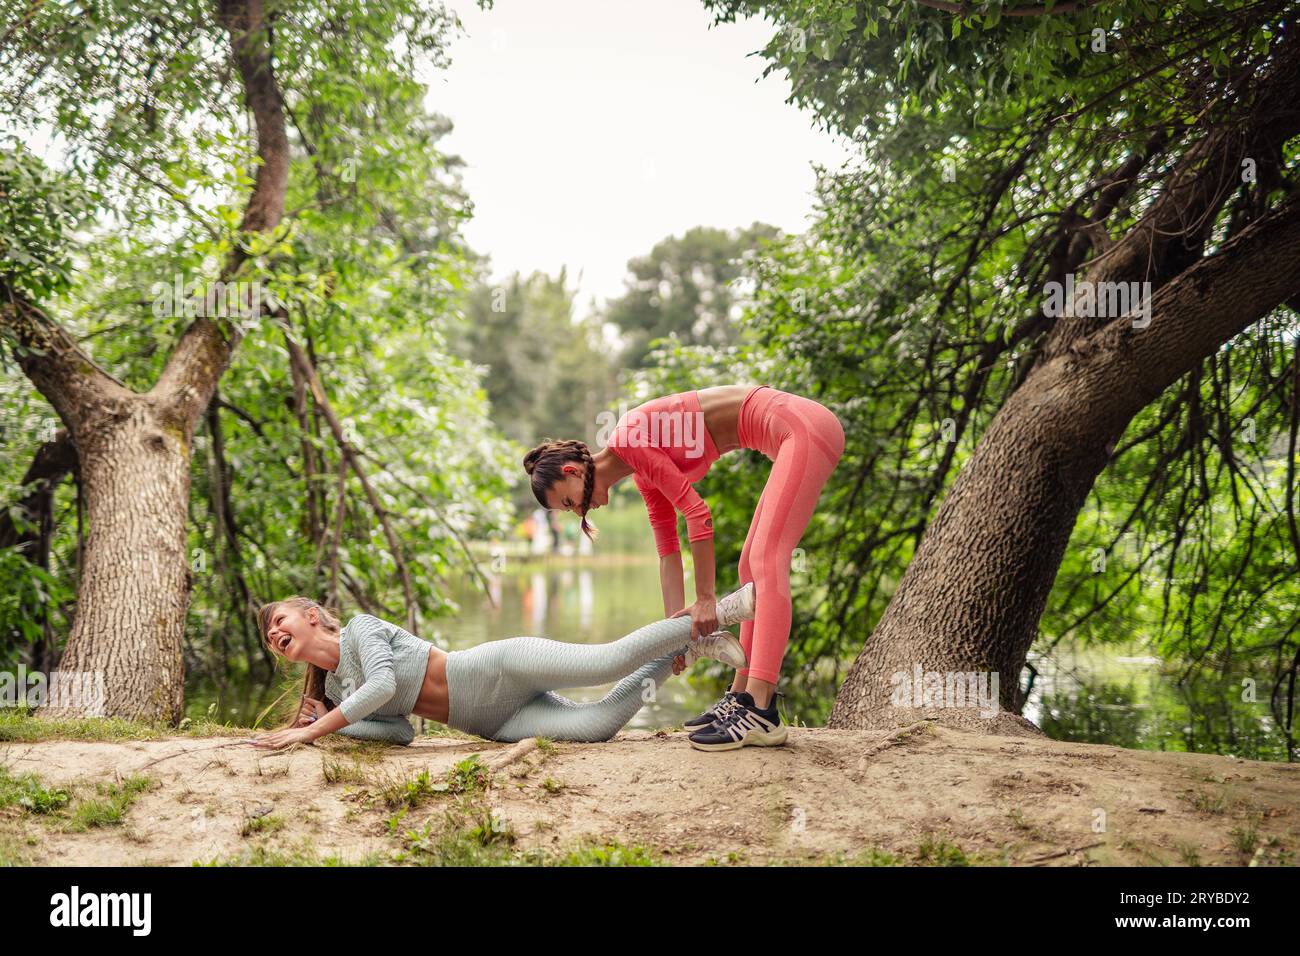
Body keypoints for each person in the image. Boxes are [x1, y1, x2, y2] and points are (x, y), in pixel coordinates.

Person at [523, 385, 844, 751]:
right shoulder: (640, 470)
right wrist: (675, 637)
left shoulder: (629, 440)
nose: (580, 512)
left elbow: (697, 513)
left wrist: (706, 599)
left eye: (570, 502)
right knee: (750, 566)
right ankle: (742, 696)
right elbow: (668, 551)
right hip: (789, 433)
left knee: (767, 559)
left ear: (573, 471)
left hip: (801, 426)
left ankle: (760, 706)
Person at [249, 583, 754, 748]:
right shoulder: (338, 688)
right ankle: (685, 652)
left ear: (312, 616)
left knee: (607, 661)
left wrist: (310, 733)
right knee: (598, 726)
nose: (274, 633)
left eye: (280, 621)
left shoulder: (360, 629)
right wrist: (334, 728)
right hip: (494, 722)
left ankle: (721, 611)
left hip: (498, 669)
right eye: (270, 635)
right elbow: (401, 733)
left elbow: (383, 683)